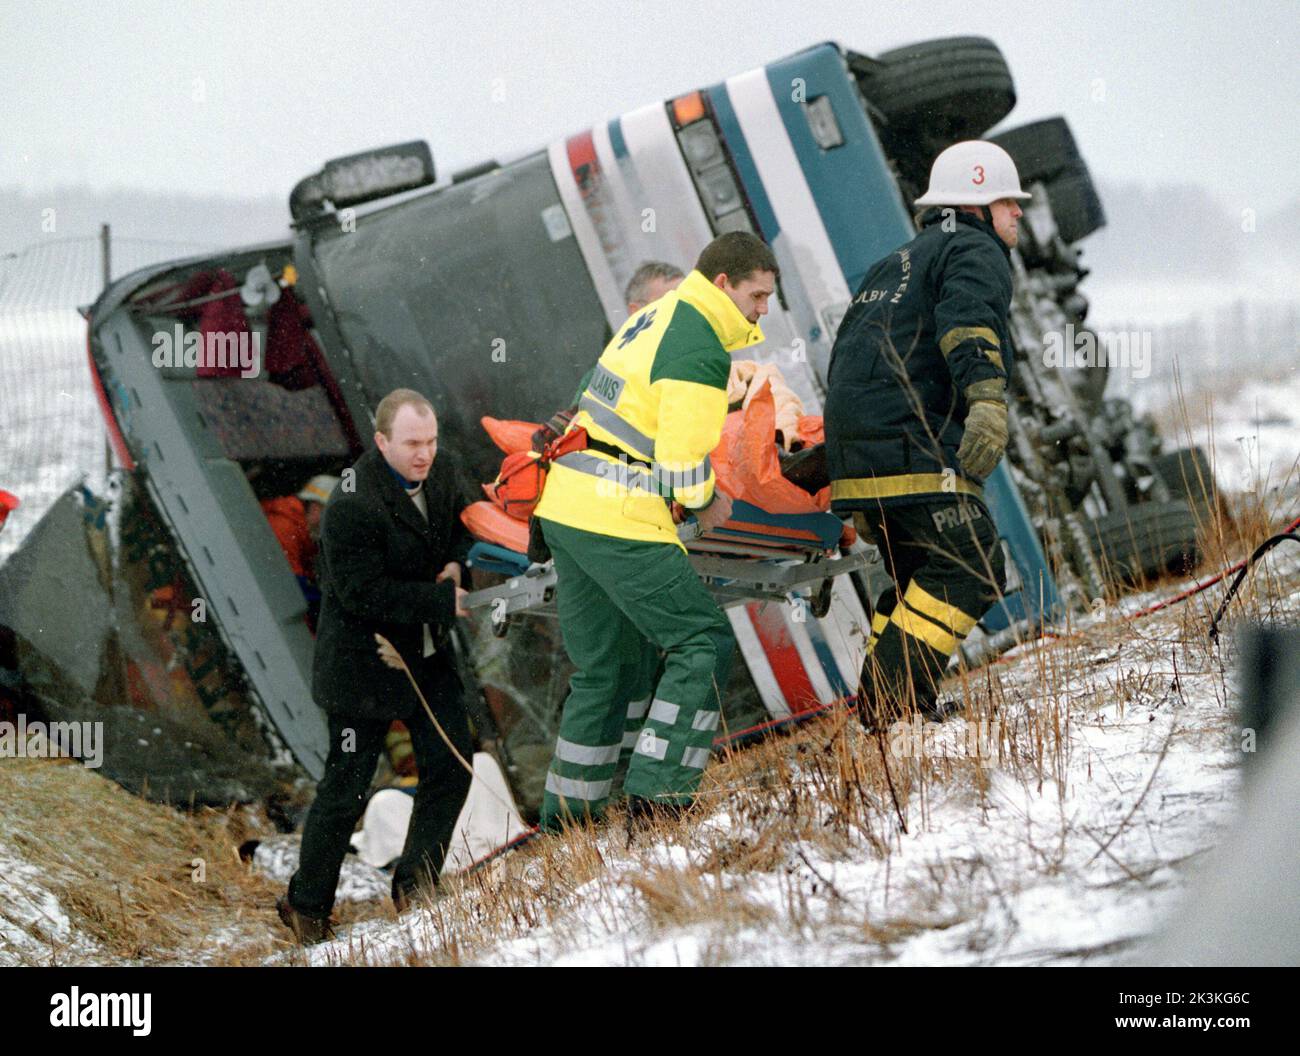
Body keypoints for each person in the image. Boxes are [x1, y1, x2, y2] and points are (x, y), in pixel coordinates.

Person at [532, 232, 777, 830]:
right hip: (615, 514)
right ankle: (659, 798)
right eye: (758, 294)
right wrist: (708, 502)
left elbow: (589, 401)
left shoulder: (653, 318)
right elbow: (680, 462)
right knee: (701, 641)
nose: (764, 309)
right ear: (723, 284)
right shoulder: (697, 343)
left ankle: (569, 822)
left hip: (566, 506)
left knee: (607, 669)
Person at [824, 140, 1025, 726]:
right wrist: (987, 397)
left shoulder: (899, 259)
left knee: (919, 578)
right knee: (970, 566)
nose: (1018, 214)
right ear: (979, 206)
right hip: (909, 444)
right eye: (1009, 202)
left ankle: (889, 713)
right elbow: (968, 321)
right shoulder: (975, 249)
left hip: (863, 455)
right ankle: (892, 711)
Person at [278, 389, 474, 944]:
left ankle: (416, 885)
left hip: (429, 655)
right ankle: (306, 904)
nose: (425, 454)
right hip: (361, 669)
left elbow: (460, 524)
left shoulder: (441, 471)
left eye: (431, 441)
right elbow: (362, 592)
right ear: (382, 441)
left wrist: (458, 563)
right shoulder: (350, 505)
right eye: (412, 443)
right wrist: (439, 601)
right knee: (346, 791)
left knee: (453, 764)